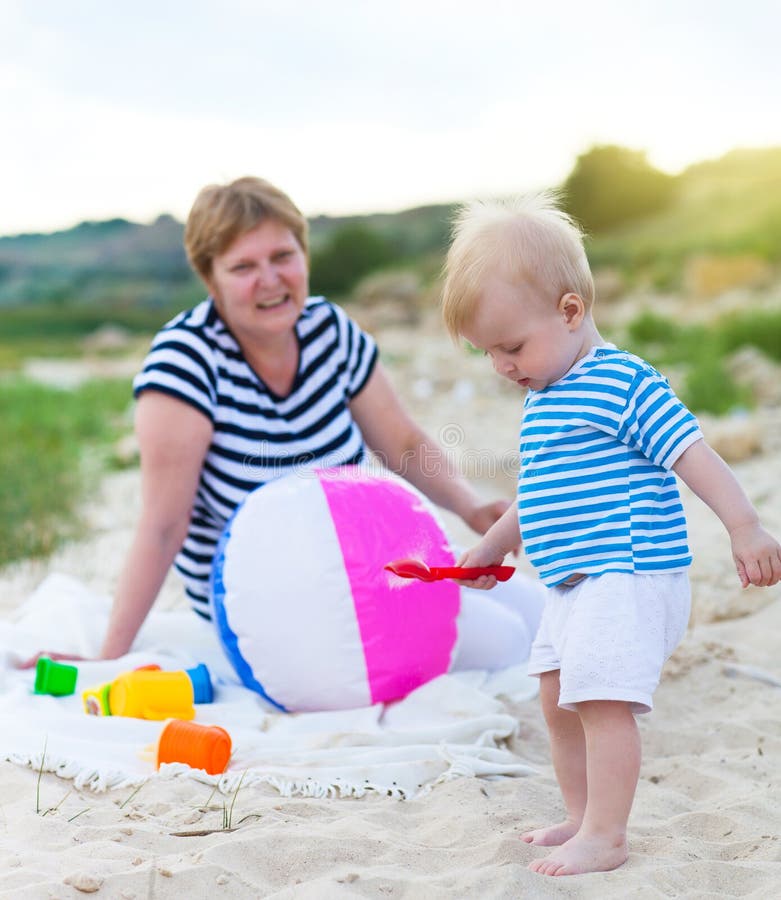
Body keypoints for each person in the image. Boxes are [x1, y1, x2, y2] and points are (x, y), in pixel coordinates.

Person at [24, 176, 544, 671]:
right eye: (243, 266)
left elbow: (403, 444)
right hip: (260, 609)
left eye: (282, 257)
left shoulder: (330, 331)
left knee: (530, 609)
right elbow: (163, 528)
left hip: (353, 570)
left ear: (304, 256)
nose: (270, 280)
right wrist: (112, 657)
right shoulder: (185, 361)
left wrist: (471, 505)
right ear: (211, 279)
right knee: (508, 640)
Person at [440, 191, 781, 877]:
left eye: (511, 345)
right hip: (572, 580)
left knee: (598, 701)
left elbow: (691, 452)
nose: (501, 366)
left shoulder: (619, 380)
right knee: (555, 698)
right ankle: (579, 814)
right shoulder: (544, 395)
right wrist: (495, 542)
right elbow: (537, 491)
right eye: (487, 353)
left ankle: (607, 833)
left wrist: (743, 526)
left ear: (570, 311)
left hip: (626, 572)